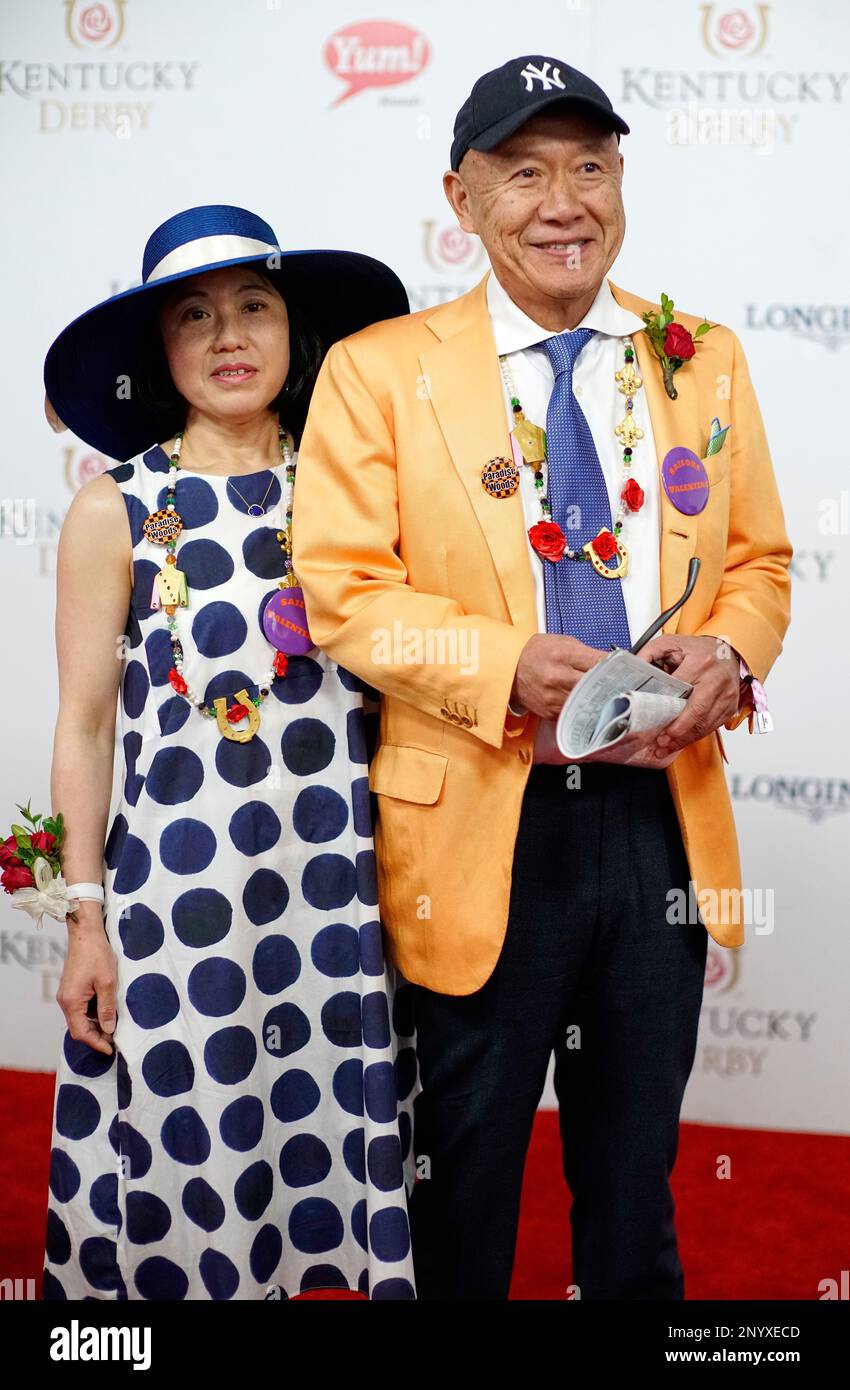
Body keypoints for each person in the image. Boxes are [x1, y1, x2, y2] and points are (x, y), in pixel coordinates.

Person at [291, 57, 793, 1300]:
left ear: (619, 181)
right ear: (461, 198)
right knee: (462, 1179)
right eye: (523, 172)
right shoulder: (376, 368)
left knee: (634, 1180)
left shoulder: (702, 359)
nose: (562, 201)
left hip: (654, 821)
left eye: (588, 166)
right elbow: (344, 590)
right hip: (476, 815)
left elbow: (761, 562)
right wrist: (503, 661)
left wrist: (729, 652)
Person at [41, 203, 417, 1301]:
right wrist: (84, 917)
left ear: (295, 328)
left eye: (254, 305)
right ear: (160, 350)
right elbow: (82, 722)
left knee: (326, 1154)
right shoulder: (117, 507)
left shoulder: (360, 492)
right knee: (190, 1153)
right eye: (194, 316)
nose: (228, 336)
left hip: (340, 901)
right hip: (181, 907)